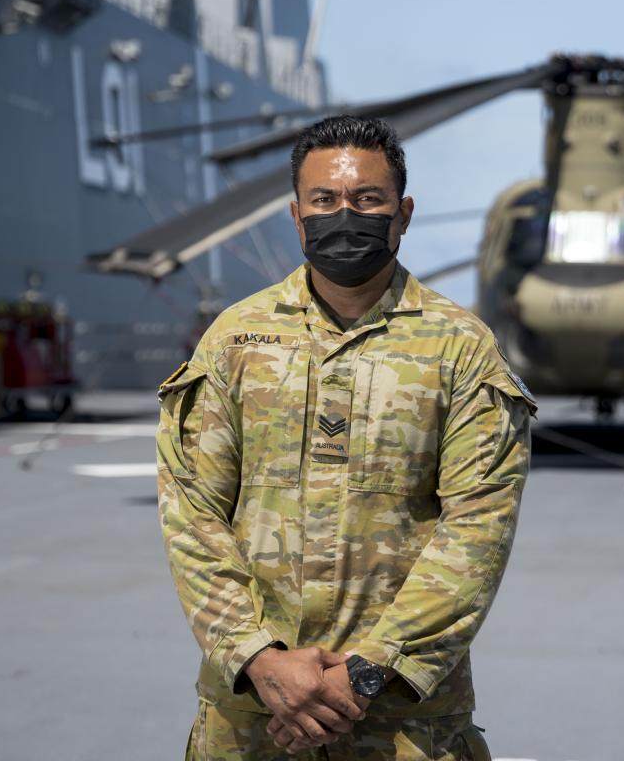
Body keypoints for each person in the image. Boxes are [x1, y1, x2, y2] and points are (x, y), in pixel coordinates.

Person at [156, 115, 536, 760]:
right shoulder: (234, 340)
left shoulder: (460, 347)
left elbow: (478, 528)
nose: (345, 216)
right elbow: (192, 514)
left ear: (404, 213)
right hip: (253, 713)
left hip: (402, 721)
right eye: (325, 201)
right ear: (297, 216)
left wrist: (366, 673)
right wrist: (258, 659)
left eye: (367, 200)